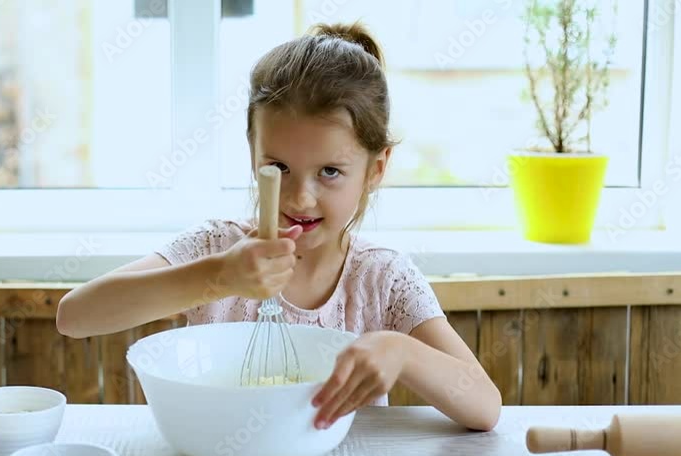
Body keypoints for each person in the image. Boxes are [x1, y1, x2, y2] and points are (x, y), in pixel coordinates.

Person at [57, 22, 501, 432]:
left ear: (375, 168)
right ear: (254, 152)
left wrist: (402, 352)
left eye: (329, 171)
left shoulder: (383, 280)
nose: (300, 197)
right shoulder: (217, 247)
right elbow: (75, 316)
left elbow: (484, 406)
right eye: (279, 166)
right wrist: (217, 278)